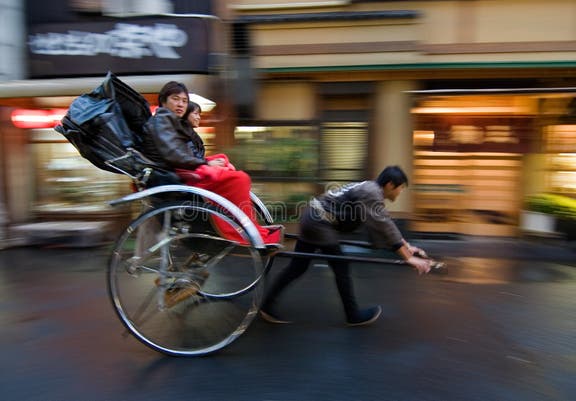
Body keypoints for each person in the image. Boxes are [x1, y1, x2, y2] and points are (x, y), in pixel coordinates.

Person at [259, 166, 431, 327]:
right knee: (340, 267)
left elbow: (383, 222)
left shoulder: (371, 189)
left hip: (313, 218)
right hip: (320, 223)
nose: (401, 192)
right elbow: (383, 224)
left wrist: (406, 246)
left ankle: (267, 306)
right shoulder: (372, 192)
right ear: (390, 185)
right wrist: (407, 257)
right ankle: (352, 315)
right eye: (401, 188)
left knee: (298, 267)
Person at [142, 81, 282, 246]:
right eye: (175, 99)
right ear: (163, 101)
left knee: (234, 175)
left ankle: (247, 227)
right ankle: (241, 230)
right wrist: (206, 164)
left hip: (181, 171)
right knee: (239, 179)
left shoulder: (171, 122)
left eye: (184, 101)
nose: (180, 104)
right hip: (176, 175)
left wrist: (207, 162)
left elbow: (180, 154)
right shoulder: (162, 120)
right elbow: (173, 154)